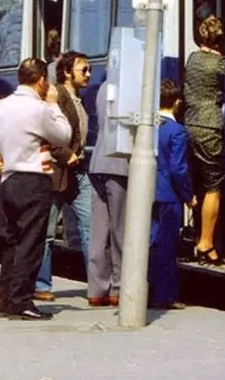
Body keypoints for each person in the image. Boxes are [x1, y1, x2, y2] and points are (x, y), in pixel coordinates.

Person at [0, 57, 74, 321]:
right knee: (31, 242)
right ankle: (21, 301)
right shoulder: (39, 109)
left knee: (12, 241)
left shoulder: (2, 106)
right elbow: (63, 135)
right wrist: (53, 105)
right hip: (34, 179)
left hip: (9, 179)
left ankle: (6, 300)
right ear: (40, 80)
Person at [35, 50, 92, 303]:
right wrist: (65, 154)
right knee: (47, 232)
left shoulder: (80, 98)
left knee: (92, 227)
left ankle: (99, 287)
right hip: (58, 172)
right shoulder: (54, 95)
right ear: (67, 72)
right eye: (84, 69)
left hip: (78, 171)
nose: (89, 74)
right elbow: (46, 130)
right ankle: (41, 284)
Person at [184, 16, 225, 266]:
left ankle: (198, 234)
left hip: (191, 124)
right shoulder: (219, 65)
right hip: (210, 127)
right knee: (214, 187)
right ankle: (206, 242)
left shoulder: (193, 59)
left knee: (200, 183)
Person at [150, 79, 196, 310]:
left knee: (150, 244)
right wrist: (188, 195)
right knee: (167, 247)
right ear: (177, 102)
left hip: (149, 194)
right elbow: (179, 169)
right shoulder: (177, 131)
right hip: (169, 196)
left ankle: (146, 292)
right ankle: (165, 296)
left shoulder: (149, 127)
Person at [86, 79, 125, 308]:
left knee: (100, 231)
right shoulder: (130, 84)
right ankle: (119, 288)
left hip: (99, 161)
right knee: (121, 229)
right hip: (120, 165)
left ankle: (97, 289)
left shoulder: (104, 86)